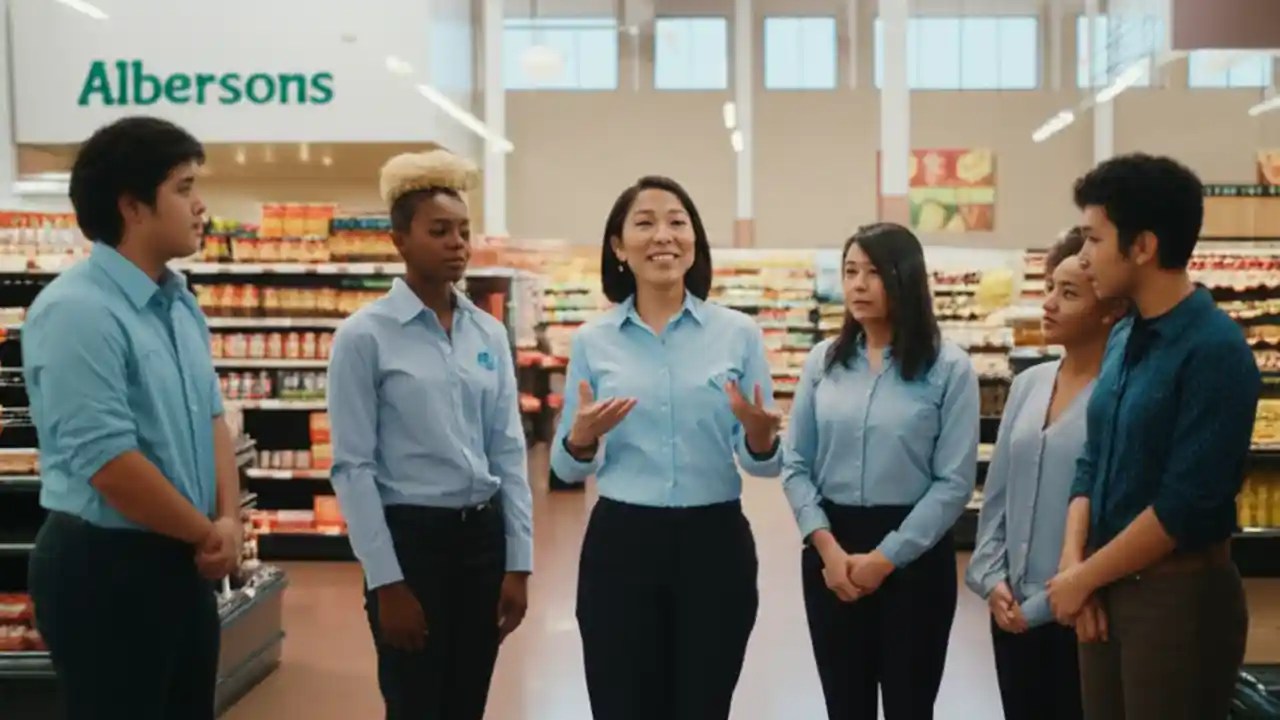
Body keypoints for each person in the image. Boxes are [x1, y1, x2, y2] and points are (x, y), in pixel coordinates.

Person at [23, 116, 241, 719]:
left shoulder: (178, 304)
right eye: (184, 187)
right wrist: (207, 533)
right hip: (105, 570)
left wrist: (227, 518)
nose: (201, 207)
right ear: (133, 206)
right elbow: (109, 463)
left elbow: (211, 419)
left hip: (184, 560)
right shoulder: (77, 312)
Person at [551, 175, 783, 720]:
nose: (664, 235)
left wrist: (758, 434)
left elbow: (761, 464)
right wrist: (582, 438)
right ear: (617, 246)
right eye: (645, 222)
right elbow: (564, 465)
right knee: (621, 703)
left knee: (704, 703)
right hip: (622, 544)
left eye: (678, 222)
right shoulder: (593, 341)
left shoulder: (737, 334)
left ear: (695, 240)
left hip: (715, 544)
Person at [1047, 153, 1261, 720]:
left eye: (1094, 239)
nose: (1083, 255)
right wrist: (1077, 569)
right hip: (1103, 586)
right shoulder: (1122, 338)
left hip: (1177, 602)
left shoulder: (1215, 351)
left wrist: (1084, 576)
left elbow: (1185, 505)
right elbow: (1091, 461)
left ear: (1142, 246)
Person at [327, 150, 534, 720]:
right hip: (411, 543)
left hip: (482, 540)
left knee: (468, 701)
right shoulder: (364, 337)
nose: (457, 244)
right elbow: (352, 467)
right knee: (415, 701)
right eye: (439, 231)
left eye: (464, 231)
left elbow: (509, 451)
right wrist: (385, 580)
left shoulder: (488, 332)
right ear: (399, 240)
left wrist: (519, 561)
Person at [783, 222, 979, 720]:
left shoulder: (949, 368)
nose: (858, 285)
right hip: (832, 553)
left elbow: (954, 482)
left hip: (914, 558)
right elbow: (796, 464)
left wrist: (885, 559)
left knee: (910, 705)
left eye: (874, 272)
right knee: (844, 705)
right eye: (850, 271)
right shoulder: (821, 362)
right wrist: (826, 548)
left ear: (907, 278)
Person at [965, 228, 1125, 720]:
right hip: (1009, 608)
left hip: (1084, 611)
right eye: (1050, 288)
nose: (1049, 304)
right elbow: (998, 498)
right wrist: (991, 580)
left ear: (1111, 309)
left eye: (1069, 293)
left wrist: (1051, 602)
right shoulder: (1029, 383)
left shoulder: (1121, 394)